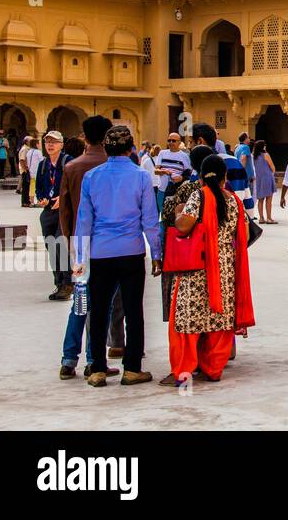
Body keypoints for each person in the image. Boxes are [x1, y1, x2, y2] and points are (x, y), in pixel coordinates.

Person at [73, 125, 162, 387]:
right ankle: (132, 368)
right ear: (130, 147)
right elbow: (149, 220)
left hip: (100, 253)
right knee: (134, 310)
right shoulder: (141, 177)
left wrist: (81, 257)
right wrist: (156, 253)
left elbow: (84, 222)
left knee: (99, 310)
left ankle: (98, 368)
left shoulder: (92, 177)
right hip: (131, 252)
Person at [163, 153, 255, 386]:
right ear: (225, 177)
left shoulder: (198, 196)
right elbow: (243, 232)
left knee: (188, 319)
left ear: (201, 177)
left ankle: (185, 369)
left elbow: (183, 226)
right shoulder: (233, 200)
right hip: (223, 269)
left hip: (196, 267)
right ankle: (213, 368)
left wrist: (178, 213)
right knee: (218, 319)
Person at [58, 114, 125, 380]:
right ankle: (93, 359)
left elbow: (65, 212)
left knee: (81, 303)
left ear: (84, 137)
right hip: (110, 245)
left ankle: (68, 358)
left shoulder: (72, 167)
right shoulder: (116, 166)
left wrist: (72, 245)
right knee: (104, 306)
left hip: (81, 244)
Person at [33, 131, 71, 300]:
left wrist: (62, 199)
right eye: (47, 141)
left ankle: (68, 282)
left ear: (61, 145)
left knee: (60, 245)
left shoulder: (68, 162)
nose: (50, 144)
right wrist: (42, 198)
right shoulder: (43, 165)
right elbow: (39, 187)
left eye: (54, 142)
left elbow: (74, 185)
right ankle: (59, 283)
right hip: (48, 211)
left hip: (64, 211)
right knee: (51, 246)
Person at [154, 132, 191, 214]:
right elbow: (156, 171)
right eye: (169, 140)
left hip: (176, 191)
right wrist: (164, 171)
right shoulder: (162, 153)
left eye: (173, 141)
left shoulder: (184, 156)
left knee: (173, 215)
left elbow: (188, 174)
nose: (170, 142)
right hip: (162, 190)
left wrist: (181, 178)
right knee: (162, 214)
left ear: (179, 142)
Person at [251, 139, 277, 224]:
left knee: (260, 200)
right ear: (262, 146)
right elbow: (272, 167)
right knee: (269, 199)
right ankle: (269, 218)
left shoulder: (253, 156)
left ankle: (261, 218)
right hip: (267, 178)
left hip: (258, 179)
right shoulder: (265, 155)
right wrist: (271, 173)